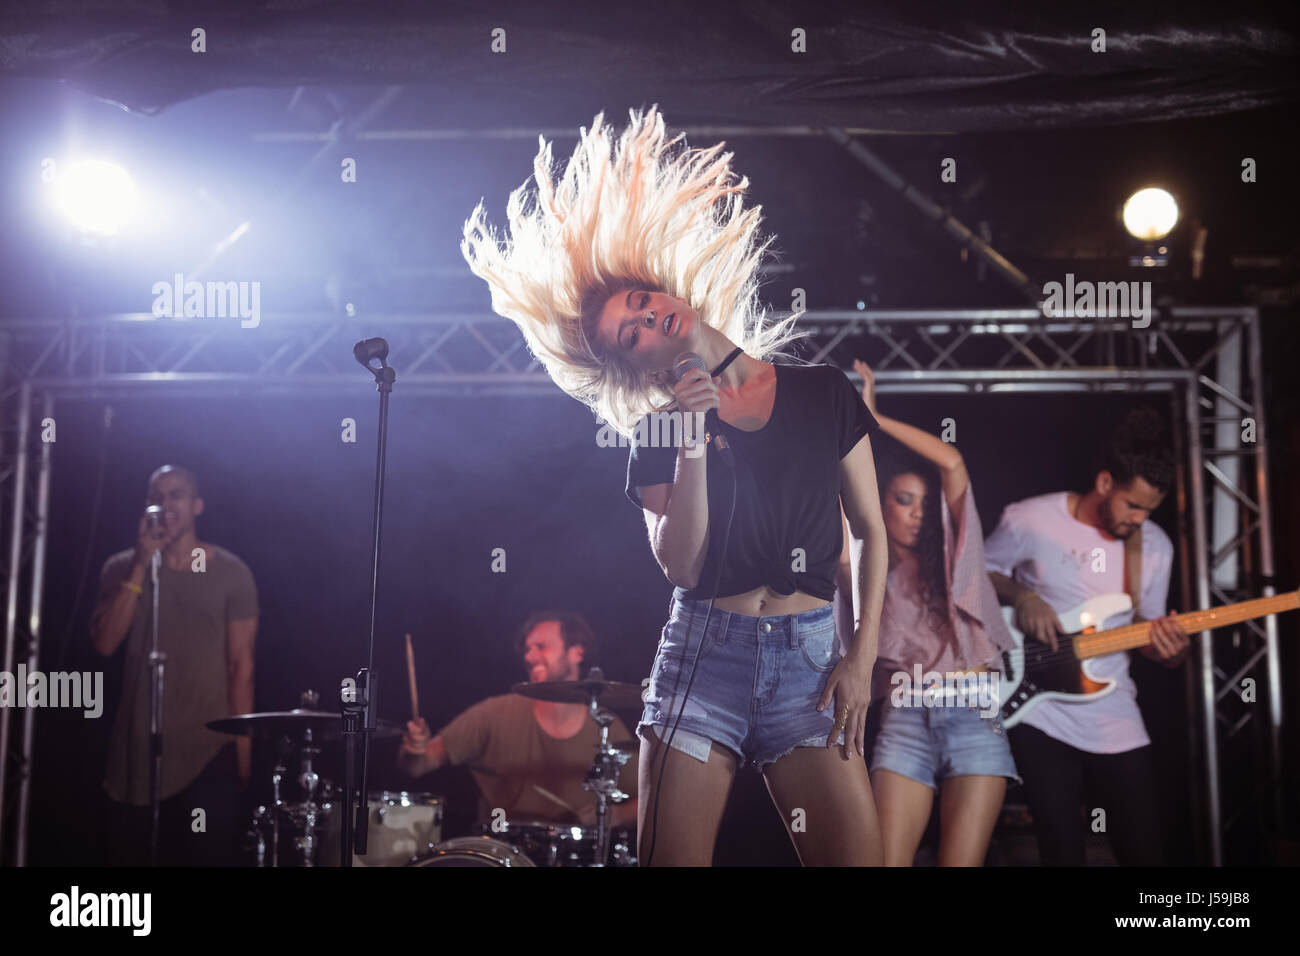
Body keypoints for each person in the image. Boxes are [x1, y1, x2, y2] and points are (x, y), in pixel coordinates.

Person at [460, 104, 890, 866]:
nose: (650, 315)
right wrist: (689, 435)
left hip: (813, 664)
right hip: (704, 659)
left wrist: (859, 657)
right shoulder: (659, 429)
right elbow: (683, 566)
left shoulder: (823, 392)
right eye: (632, 332)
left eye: (642, 300)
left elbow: (869, 529)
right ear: (642, 368)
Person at [984, 407, 1190, 865]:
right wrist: (1022, 596)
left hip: (1114, 712)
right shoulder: (1031, 519)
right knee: (1062, 851)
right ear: (1103, 483)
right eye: (1132, 505)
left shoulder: (1154, 546)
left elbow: (1149, 633)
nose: (1139, 518)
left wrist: (1172, 651)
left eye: (1150, 510)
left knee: (1145, 849)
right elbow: (975, 572)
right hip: (1040, 712)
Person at [837, 359, 1019, 866]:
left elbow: (953, 464)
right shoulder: (864, 571)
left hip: (973, 713)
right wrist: (847, 430)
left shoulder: (956, 559)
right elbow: (841, 499)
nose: (918, 512)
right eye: (903, 500)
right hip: (904, 720)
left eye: (924, 502)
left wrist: (873, 418)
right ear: (881, 505)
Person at [90, 465, 258, 866]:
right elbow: (105, 643)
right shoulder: (120, 567)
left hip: (206, 754)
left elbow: (242, 668)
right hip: (136, 755)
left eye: (176, 495)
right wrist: (140, 565)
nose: (166, 505)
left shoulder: (230, 573)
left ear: (197, 505)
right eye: (157, 495)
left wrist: (244, 760)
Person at [398, 611, 638, 828]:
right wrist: (414, 750)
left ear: (577, 652)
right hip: (499, 853)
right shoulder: (494, 713)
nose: (530, 656)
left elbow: (649, 797)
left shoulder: (606, 725)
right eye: (527, 649)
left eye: (541, 647)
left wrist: (615, 817)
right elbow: (418, 767)